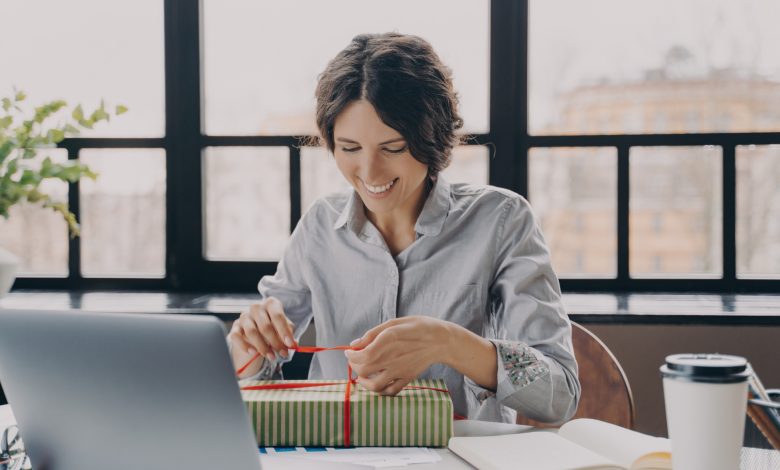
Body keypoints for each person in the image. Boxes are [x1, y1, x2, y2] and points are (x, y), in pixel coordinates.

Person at [228, 32, 580, 424]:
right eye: (349, 149)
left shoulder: (502, 220)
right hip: (339, 455)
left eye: (392, 148)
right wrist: (250, 347)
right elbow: (254, 378)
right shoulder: (319, 226)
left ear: (432, 138)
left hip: (459, 457)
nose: (369, 172)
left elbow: (560, 394)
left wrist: (448, 342)